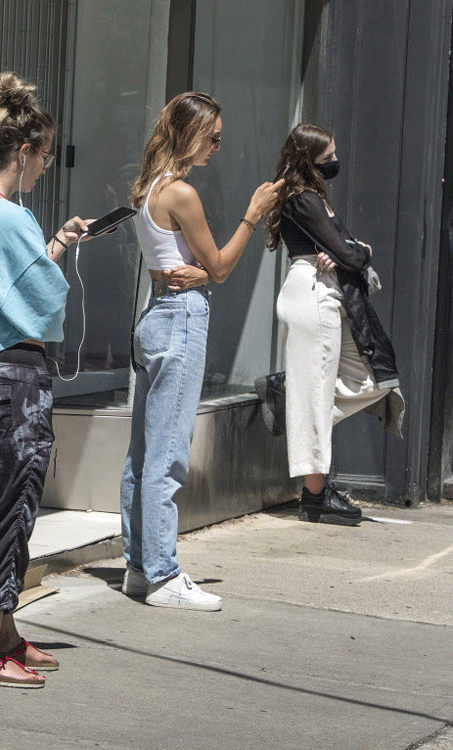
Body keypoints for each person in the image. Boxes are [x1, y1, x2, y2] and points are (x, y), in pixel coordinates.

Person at [0, 71, 87, 688]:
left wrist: (51, 245)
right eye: (45, 156)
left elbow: (2, 283)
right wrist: (53, 255)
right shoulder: (12, 218)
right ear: (23, 151)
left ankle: (3, 633)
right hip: (16, 380)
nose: (45, 168)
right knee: (12, 512)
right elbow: (41, 301)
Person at [120, 92, 282, 611]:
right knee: (167, 454)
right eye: (212, 137)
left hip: (154, 318)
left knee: (142, 454)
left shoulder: (147, 188)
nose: (217, 145)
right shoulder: (182, 193)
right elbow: (222, 266)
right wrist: (252, 216)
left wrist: (196, 268)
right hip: (180, 318)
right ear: (189, 134)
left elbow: (169, 263)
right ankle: (164, 576)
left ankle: (139, 565)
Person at [256, 124, 403, 525]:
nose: (335, 162)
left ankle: (288, 395)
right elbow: (350, 253)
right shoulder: (302, 198)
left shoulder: (313, 197)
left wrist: (352, 251)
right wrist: (357, 251)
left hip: (325, 293)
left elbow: (347, 251)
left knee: (375, 377)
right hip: (314, 292)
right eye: (328, 157)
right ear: (309, 159)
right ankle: (316, 496)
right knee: (317, 399)